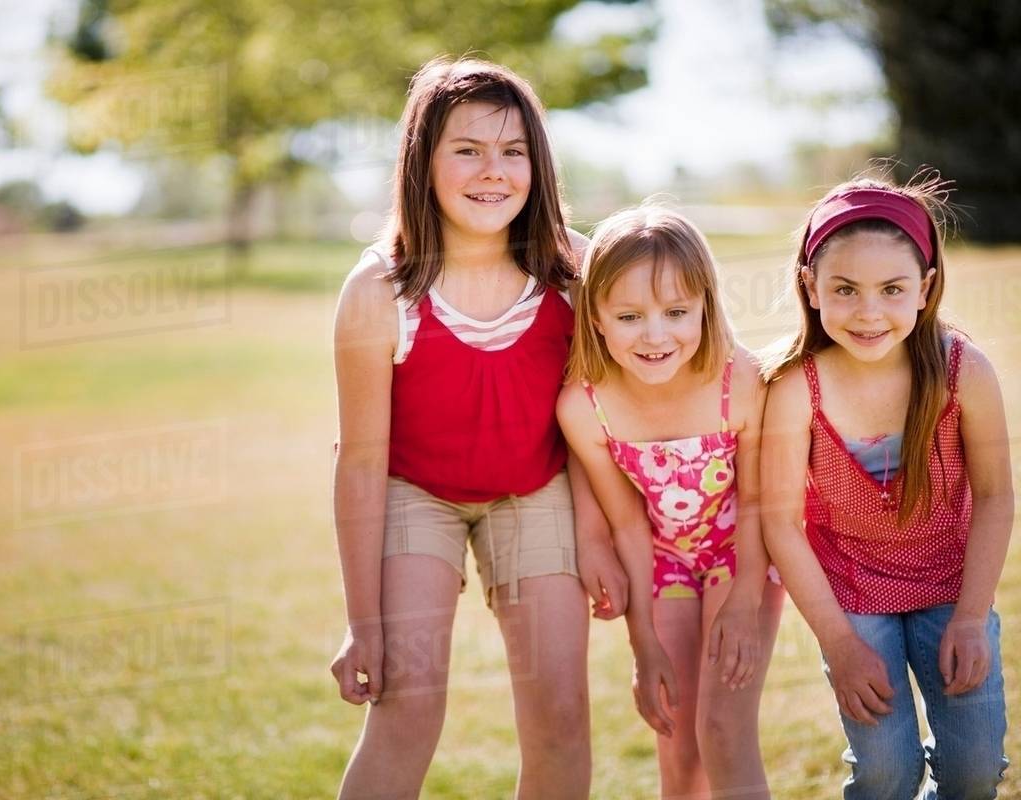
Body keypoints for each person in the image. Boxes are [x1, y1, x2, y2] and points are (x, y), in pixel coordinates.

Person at [329, 56, 625, 800]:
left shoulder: (575, 270)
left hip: (533, 490)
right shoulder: (379, 291)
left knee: (560, 714)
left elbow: (595, 420)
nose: (493, 171)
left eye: (513, 151)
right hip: (413, 491)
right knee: (406, 707)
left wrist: (594, 538)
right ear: (422, 162)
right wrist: (362, 622)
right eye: (467, 149)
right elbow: (361, 464)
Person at [759, 173, 1011, 798]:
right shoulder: (796, 388)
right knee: (884, 772)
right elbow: (780, 522)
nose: (869, 312)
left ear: (925, 289)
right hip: (850, 595)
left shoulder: (963, 371)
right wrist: (839, 643)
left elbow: (998, 495)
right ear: (810, 288)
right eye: (844, 289)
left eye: (892, 289)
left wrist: (972, 618)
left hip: (951, 584)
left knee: (974, 769)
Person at [558, 205, 784, 799]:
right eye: (629, 315)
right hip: (662, 561)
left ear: (706, 305)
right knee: (678, 745)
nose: (656, 335)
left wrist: (744, 600)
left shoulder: (742, 380)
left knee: (725, 731)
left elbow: (762, 504)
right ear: (596, 318)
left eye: (677, 312)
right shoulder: (585, 406)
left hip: (745, 554)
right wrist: (643, 642)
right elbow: (628, 525)